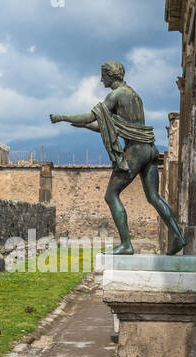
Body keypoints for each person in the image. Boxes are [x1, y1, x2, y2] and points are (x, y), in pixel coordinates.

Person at [50, 60, 185, 255]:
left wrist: (63, 117)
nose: (100, 79)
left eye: (103, 75)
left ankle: (126, 244)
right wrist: (81, 125)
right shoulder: (134, 96)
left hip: (135, 151)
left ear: (110, 75)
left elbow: (90, 117)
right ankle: (178, 236)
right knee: (154, 197)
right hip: (150, 148)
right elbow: (105, 126)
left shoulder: (115, 95)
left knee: (111, 195)